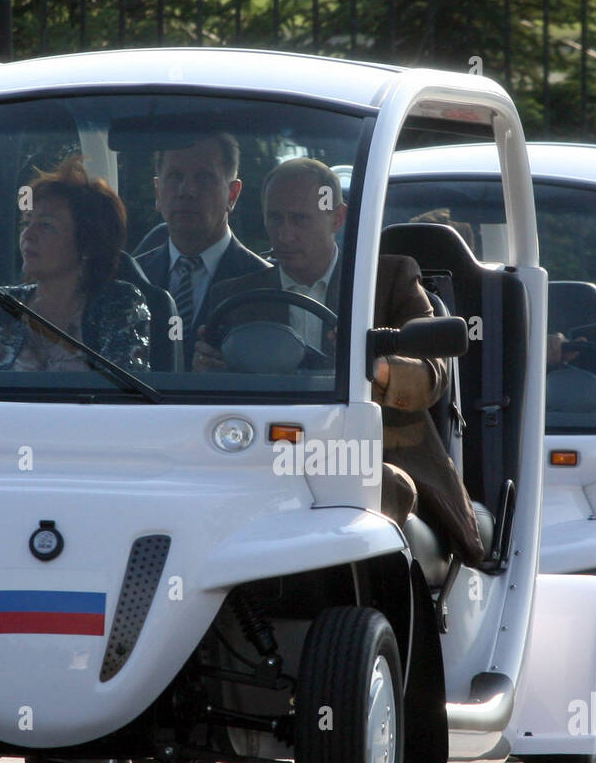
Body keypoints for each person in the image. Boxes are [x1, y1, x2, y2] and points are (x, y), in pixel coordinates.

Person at [200, 158, 484, 565]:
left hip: (375, 455)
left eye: (298, 218)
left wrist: (377, 368)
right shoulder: (235, 296)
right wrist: (204, 371)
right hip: (262, 457)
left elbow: (431, 376)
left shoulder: (389, 280)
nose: (285, 234)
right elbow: (202, 382)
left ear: (337, 218)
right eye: (274, 219)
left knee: (379, 484)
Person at [0, 156, 150, 372]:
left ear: (87, 241)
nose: (28, 235)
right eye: (25, 222)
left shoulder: (118, 304)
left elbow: (122, 397)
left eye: (46, 226)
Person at [135, 133, 271, 367]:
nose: (187, 190)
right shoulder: (130, 278)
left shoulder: (265, 286)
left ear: (233, 194)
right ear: (158, 191)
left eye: (205, 178)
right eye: (175, 176)